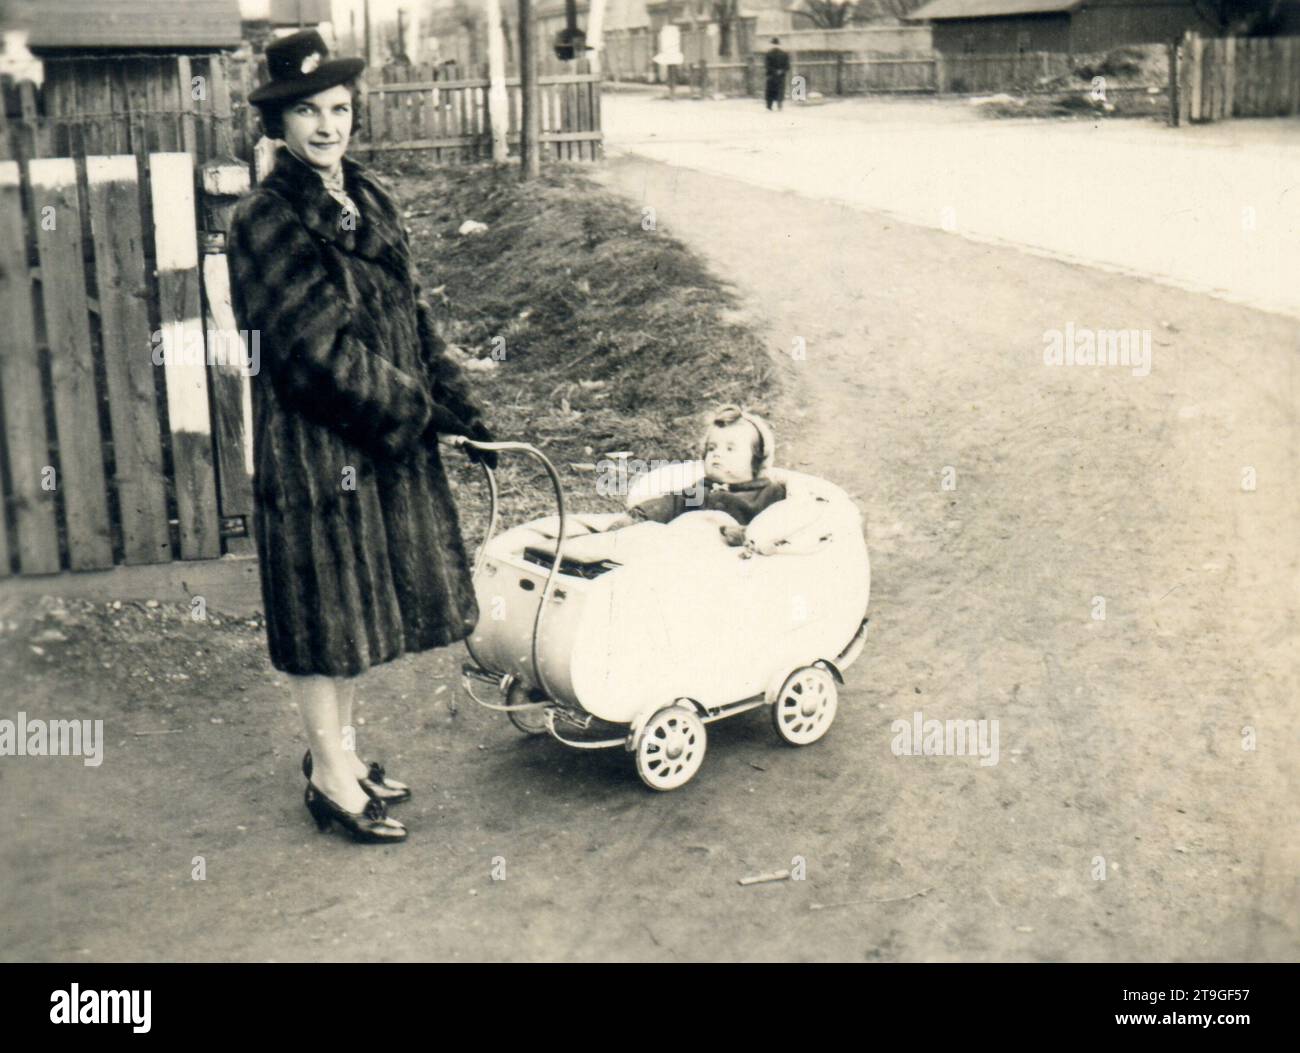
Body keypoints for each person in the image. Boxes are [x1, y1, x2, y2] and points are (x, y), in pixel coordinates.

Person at [226, 30, 494, 845]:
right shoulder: (266, 219)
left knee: (349, 618)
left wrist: (459, 407)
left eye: (338, 109)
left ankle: (335, 754)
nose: (327, 126)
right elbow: (311, 357)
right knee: (321, 621)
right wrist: (410, 414)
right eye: (306, 112)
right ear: (277, 123)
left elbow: (411, 320)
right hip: (314, 448)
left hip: (371, 442)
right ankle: (333, 783)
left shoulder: (367, 197)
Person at [605, 405, 786, 545]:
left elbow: (779, 525)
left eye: (730, 449)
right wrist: (639, 516)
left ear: (757, 458)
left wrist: (747, 534)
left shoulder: (768, 493)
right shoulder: (700, 489)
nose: (717, 454)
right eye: (711, 448)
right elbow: (670, 504)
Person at [764, 37, 790, 112]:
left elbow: (767, 66)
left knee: (770, 91)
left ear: (772, 44)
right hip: (781, 76)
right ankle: (779, 105)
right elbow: (787, 66)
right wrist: (781, 71)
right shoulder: (784, 54)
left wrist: (774, 71)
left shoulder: (768, 54)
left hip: (771, 76)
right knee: (780, 90)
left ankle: (769, 106)